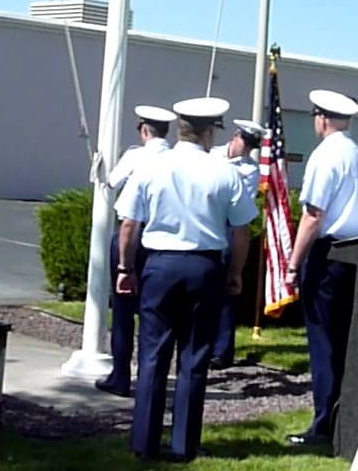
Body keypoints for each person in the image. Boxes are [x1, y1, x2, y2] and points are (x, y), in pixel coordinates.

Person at [113, 97, 257, 462]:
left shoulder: (151, 166)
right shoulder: (225, 172)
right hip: (204, 267)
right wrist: (235, 273)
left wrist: (125, 269)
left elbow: (129, 224)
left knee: (152, 355)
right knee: (194, 359)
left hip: (160, 264)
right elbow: (241, 231)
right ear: (208, 132)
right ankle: (183, 445)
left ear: (180, 129)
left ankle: (144, 443)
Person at [283, 89, 358, 447]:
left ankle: (324, 424)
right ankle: (347, 416)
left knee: (324, 342)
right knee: (347, 341)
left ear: (321, 119)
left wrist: (293, 265)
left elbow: (313, 215)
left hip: (331, 255)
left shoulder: (326, 155)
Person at [95, 104, 175, 398]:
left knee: (123, 313)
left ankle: (120, 376)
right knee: (153, 314)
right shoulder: (175, 159)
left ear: (144, 130)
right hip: (160, 241)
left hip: (132, 236)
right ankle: (147, 377)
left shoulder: (135, 156)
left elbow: (111, 182)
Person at [210, 119, 264, 369]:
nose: (247, 149)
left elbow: (242, 205)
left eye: (252, 146)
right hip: (205, 225)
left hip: (228, 228)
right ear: (235, 136)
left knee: (226, 290)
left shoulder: (250, 170)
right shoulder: (212, 155)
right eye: (246, 142)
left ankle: (222, 351)